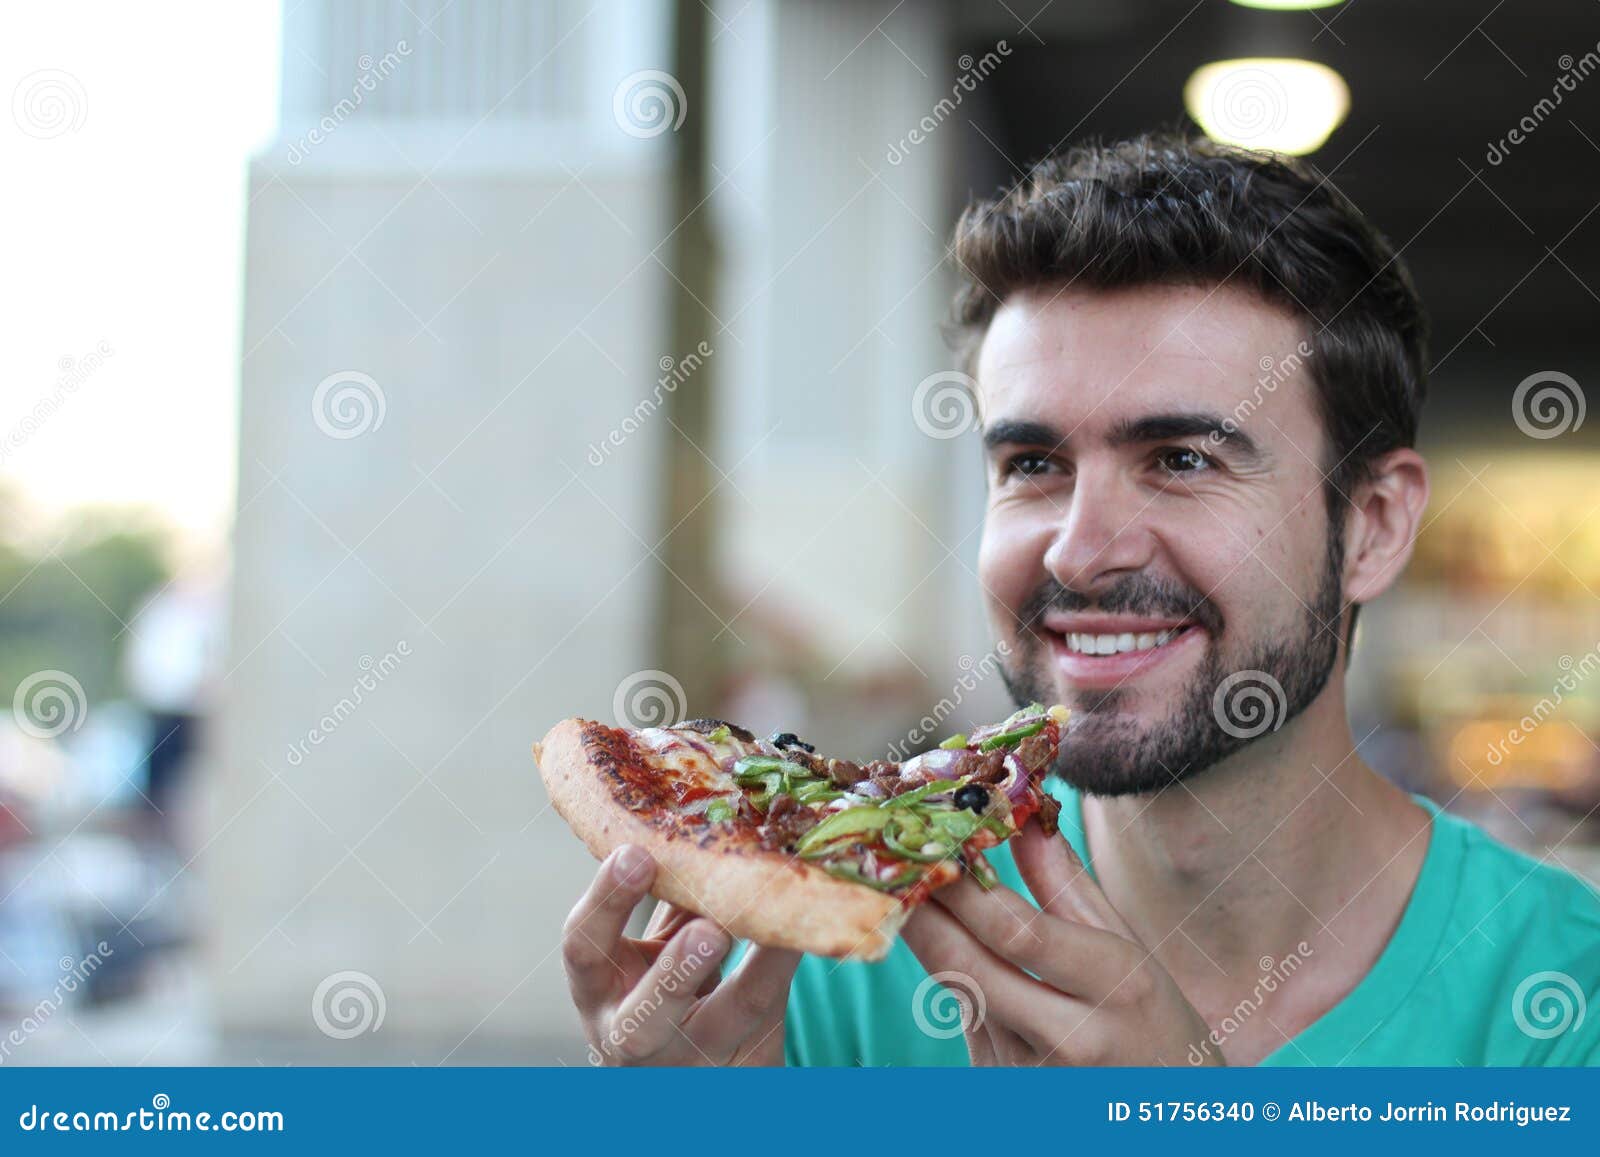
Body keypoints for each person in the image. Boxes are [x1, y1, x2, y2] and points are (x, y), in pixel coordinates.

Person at [559, 135, 1600, 1066]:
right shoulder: (825, 962)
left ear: (1372, 524)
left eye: (1182, 457)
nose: (1081, 548)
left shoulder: (1564, 1002)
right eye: (1032, 462)